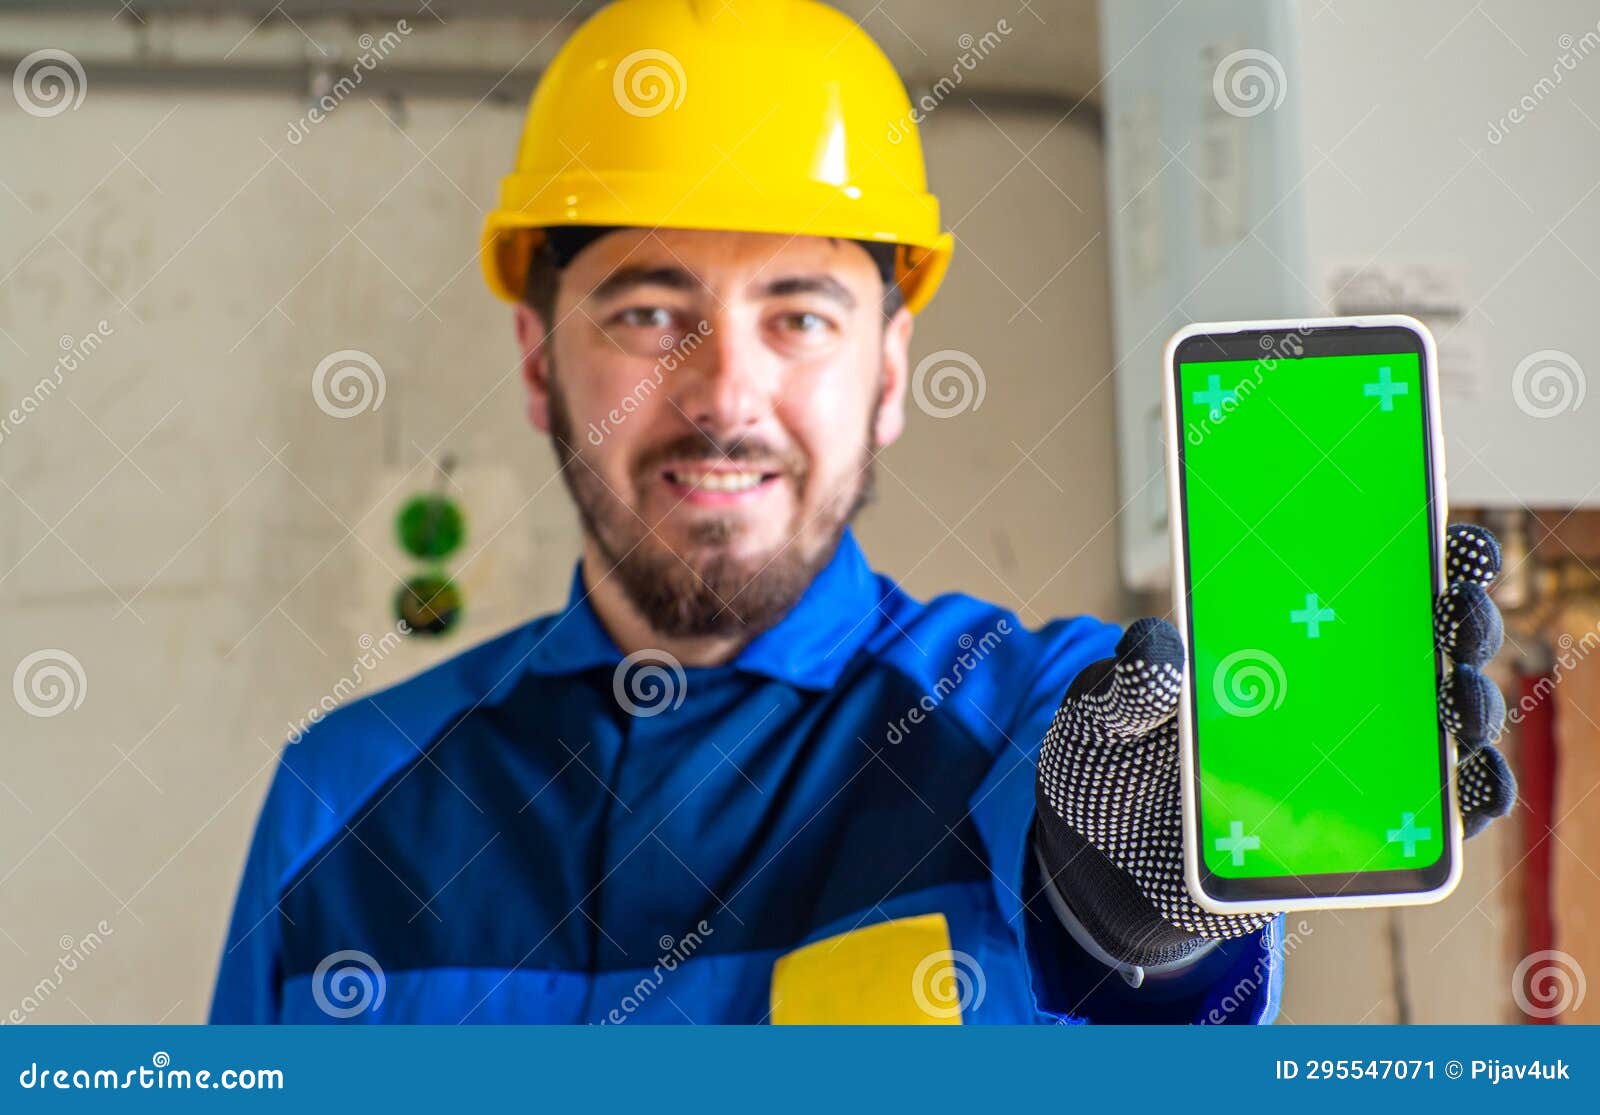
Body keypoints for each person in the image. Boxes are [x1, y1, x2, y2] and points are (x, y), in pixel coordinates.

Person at [210, 0, 1514, 1024]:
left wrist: (1147, 888)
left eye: (798, 316)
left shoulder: (1033, 720)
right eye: (648, 311)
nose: (725, 390)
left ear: (888, 372)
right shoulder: (343, 803)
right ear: (540, 359)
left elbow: (1115, 916)